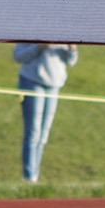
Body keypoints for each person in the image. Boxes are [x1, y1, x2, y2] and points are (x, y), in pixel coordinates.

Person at [12, 43, 77, 183]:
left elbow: (71, 61)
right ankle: (29, 178)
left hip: (54, 84)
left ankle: (35, 175)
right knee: (33, 131)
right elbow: (18, 56)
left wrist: (72, 48)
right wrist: (39, 46)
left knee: (43, 134)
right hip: (32, 81)